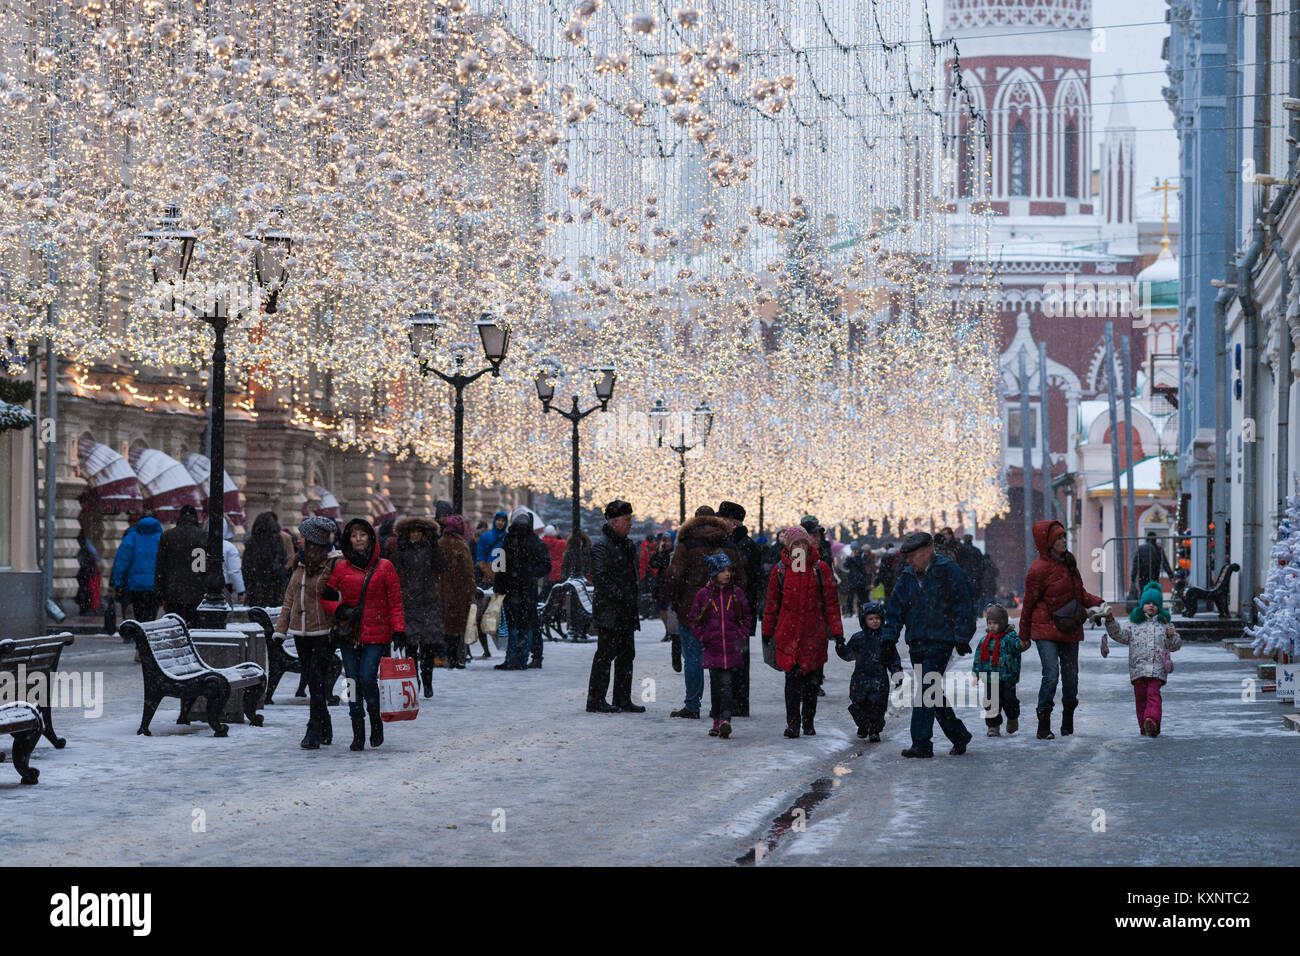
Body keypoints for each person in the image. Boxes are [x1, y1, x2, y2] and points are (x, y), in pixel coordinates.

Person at [882, 531, 975, 758]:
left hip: (940, 640)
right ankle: (959, 734)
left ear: (928, 551)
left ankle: (921, 742)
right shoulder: (907, 577)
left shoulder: (948, 571)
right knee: (932, 692)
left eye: (912, 556)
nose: (909, 561)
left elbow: (963, 605)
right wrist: (889, 637)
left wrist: (962, 636)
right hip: (917, 642)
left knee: (925, 689)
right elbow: (895, 609)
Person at [321, 518, 405, 751]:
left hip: (376, 633)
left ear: (370, 538)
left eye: (362, 534)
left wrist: (399, 629)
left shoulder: (385, 567)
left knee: (367, 678)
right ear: (348, 539)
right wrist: (340, 609)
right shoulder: (340, 567)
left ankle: (375, 719)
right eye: (353, 535)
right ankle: (357, 728)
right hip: (349, 633)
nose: (358, 539)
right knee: (351, 682)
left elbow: (395, 602)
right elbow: (326, 598)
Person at [1020, 519, 1103, 740]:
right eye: (1058, 538)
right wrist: (1023, 635)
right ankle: (1043, 724)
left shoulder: (1069, 564)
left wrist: (1100, 603)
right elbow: (1028, 603)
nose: (1064, 541)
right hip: (1045, 629)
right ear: (1048, 543)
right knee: (1051, 674)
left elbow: (1080, 594)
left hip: (1070, 626)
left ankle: (1068, 720)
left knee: (1071, 676)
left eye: (1064, 537)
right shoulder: (1037, 570)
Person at [664, 506, 746, 720]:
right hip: (721, 609)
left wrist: (677, 601)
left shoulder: (687, 544)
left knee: (693, 658)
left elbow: (674, 576)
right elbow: (740, 578)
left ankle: (692, 705)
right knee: (720, 659)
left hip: (692, 608)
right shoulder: (728, 544)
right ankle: (720, 707)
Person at [763, 526, 842, 738]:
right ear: (789, 547)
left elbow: (832, 604)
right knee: (792, 681)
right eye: (795, 544)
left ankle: (808, 721)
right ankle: (793, 723)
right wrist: (767, 632)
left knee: (811, 683)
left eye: (803, 543)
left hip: (814, 635)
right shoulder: (780, 570)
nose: (800, 547)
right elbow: (771, 604)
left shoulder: (820, 568)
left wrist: (838, 633)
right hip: (788, 635)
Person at [275, 516, 341, 749]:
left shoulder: (333, 564)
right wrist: (280, 630)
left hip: (324, 632)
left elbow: (340, 598)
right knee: (315, 682)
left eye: (302, 536)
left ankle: (313, 729)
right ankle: (325, 723)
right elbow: (289, 599)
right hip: (300, 633)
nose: (298, 539)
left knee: (315, 678)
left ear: (313, 540)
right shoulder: (299, 563)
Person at [586, 500, 645, 714]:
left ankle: (622, 698)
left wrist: (629, 597)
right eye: (627, 519)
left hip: (625, 609)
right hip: (610, 610)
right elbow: (600, 577)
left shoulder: (625, 544)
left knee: (627, 654)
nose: (631, 523)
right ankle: (596, 700)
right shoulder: (602, 545)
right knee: (605, 655)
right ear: (615, 521)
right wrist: (621, 596)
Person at [1103, 585, 1181, 737]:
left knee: (1153, 695)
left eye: (1155, 604)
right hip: (1138, 669)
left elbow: (1175, 646)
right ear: (1142, 605)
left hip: (1157, 669)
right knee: (1140, 699)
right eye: (1148, 603)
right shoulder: (1133, 624)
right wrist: (1111, 621)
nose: (1151, 606)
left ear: (1159, 607)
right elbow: (1120, 635)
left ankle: (1152, 721)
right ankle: (1144, 728)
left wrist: (1171, 636)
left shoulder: (1165, 624)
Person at [688, 552, 751, 739]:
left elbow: (747, 616)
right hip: (712, 648)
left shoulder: (736, 593)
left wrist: (741, 635)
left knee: (726, 685)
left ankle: (725, 720)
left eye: (729, 570)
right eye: (723, 570)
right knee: (716, 686)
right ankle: (717, 720)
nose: (727, 574)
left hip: (731, 648)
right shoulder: (703, 595)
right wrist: (703, 637)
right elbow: (694, 619)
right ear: (714, 572)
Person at [392, 515, 446, 696]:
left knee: (428, 645)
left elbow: (442, 566)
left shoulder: (431, 548)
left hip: (428, 600)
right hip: (409, 600)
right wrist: (399, 550)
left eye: (418, 531)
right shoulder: (402, 549)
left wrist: (435, 546)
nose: (415, 535)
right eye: (412, 531)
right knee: (411, 646)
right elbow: (393, 568)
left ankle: (427, 679)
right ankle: (414, 680)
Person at [717, 500, 762, 717]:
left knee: (739, 659)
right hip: (737, 609)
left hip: (738, 611)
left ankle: (738, 703)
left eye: (722, 519)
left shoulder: (742, 545)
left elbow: (745, 580)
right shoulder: (738, 543)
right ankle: (735, 702)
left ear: (733, 523)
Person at [834, 600, 902, 742]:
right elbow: (848, 655)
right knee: (858, 704)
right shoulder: (858, 638)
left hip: (879, 679)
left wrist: (897, 674)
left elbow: (893, 659)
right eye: (871, 619)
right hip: (860, 679)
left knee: (878, 706)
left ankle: (874, 730)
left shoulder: (886, 639)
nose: (875, 621)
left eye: (877, 618)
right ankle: (863, 725)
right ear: (864, 620)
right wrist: (840, 646)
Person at [494, 508, 553, 670]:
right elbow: (546, 565)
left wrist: (499, 587)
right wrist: (531, 574)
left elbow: (500, 567)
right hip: (526, 589)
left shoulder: (509, 540)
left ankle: (512, 659)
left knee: (514, 624)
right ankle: (520, 659)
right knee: (524, 624)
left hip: (513, 588)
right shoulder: (534, 541)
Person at [971, 604, 1026, 737]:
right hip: (991, 677)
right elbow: (978, 658)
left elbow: (1018, 646)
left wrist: (1023, 644)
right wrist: (976, 674)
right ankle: (993, 726)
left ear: (1002, 623)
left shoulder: (1010, 637)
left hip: (1008, 675)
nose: (992, 626)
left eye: (995, 623)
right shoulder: (985, 640)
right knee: (991, 701)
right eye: (989, 623)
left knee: (1009, 700)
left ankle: (1012, 718)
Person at [155, 505, 208, 625]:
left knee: (174, 624)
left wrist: (159, 588)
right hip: (197, 587)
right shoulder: (203, 536)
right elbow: (207, 565)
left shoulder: (168, 535)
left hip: (173, 588)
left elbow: (161, 565)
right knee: (194, 625)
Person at [437, 514, 476, 668]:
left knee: (446, 626)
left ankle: (446, 656)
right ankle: (455, 658)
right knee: (457, 627)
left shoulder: (440, 543)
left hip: (442, 592)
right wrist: (471, 591)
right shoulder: (461, 545)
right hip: (459, 592)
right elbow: (468, 572)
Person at [111, 511, 163, 622]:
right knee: (151, 615)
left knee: (138, 614)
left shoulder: (131, 537)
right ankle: (147, 629)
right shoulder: (162, 538)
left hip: (135, 585)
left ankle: (139, 628)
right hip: (155, 585)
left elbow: (121, 562)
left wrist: (118, 582)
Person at [243, 511, 291, 608]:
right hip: (273, 588)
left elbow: (246, 566)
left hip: (256, 588)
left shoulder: (252, 541)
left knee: (257, 612)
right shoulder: (277, 540)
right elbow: (282, 560)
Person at [1130, 530, 1174, 597]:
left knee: (1144, 594)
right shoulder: (1159, 549)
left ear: (1147, 539)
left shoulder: (1141, 549)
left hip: (1143, 576)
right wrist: (1171, 576)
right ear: (1155, 539)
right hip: (1154, 576)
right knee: (1154, 594)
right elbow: (1165, 564)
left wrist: (1133, 577)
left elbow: (1135, 564)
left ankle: (1145, 602)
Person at [475, 510, 509, 584]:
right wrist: (486, 569)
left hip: (502, 576)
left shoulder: (508, 538)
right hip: (486, 576)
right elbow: (480, 554)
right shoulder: (485, 536)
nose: (500, 522)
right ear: (495, 521)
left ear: (506, 523)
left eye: (503, 521)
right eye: (498, 520)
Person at [75, 533, 102, 615]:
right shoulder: (85, 542)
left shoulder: (79, 542)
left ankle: (84, 607)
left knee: (84, 589)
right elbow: (96, 556)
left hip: (82, 570)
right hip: (86, 570)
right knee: (88, 589)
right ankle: (87, 607)